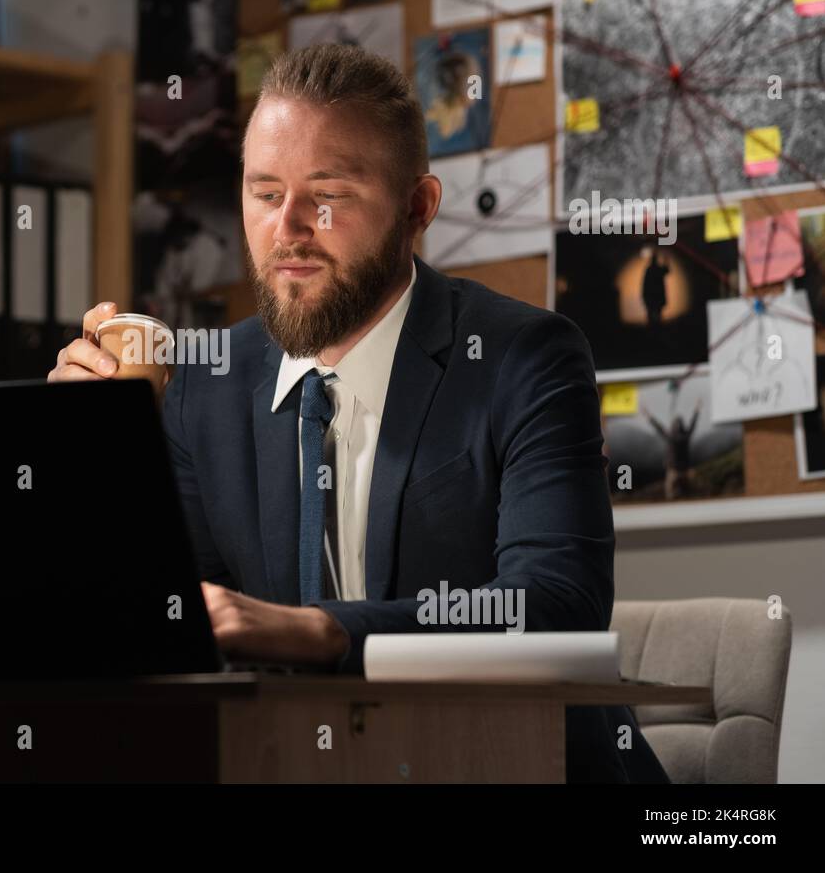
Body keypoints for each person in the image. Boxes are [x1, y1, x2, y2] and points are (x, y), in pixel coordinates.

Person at [49, 43, 669, 783]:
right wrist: (89, 463)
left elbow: (556, 605)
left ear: (417, 209)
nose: (289, 227)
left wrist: (322, 632)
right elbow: (168, 628)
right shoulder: (205, 385)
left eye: (329, 194)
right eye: (265, 192)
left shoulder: (524, 356)